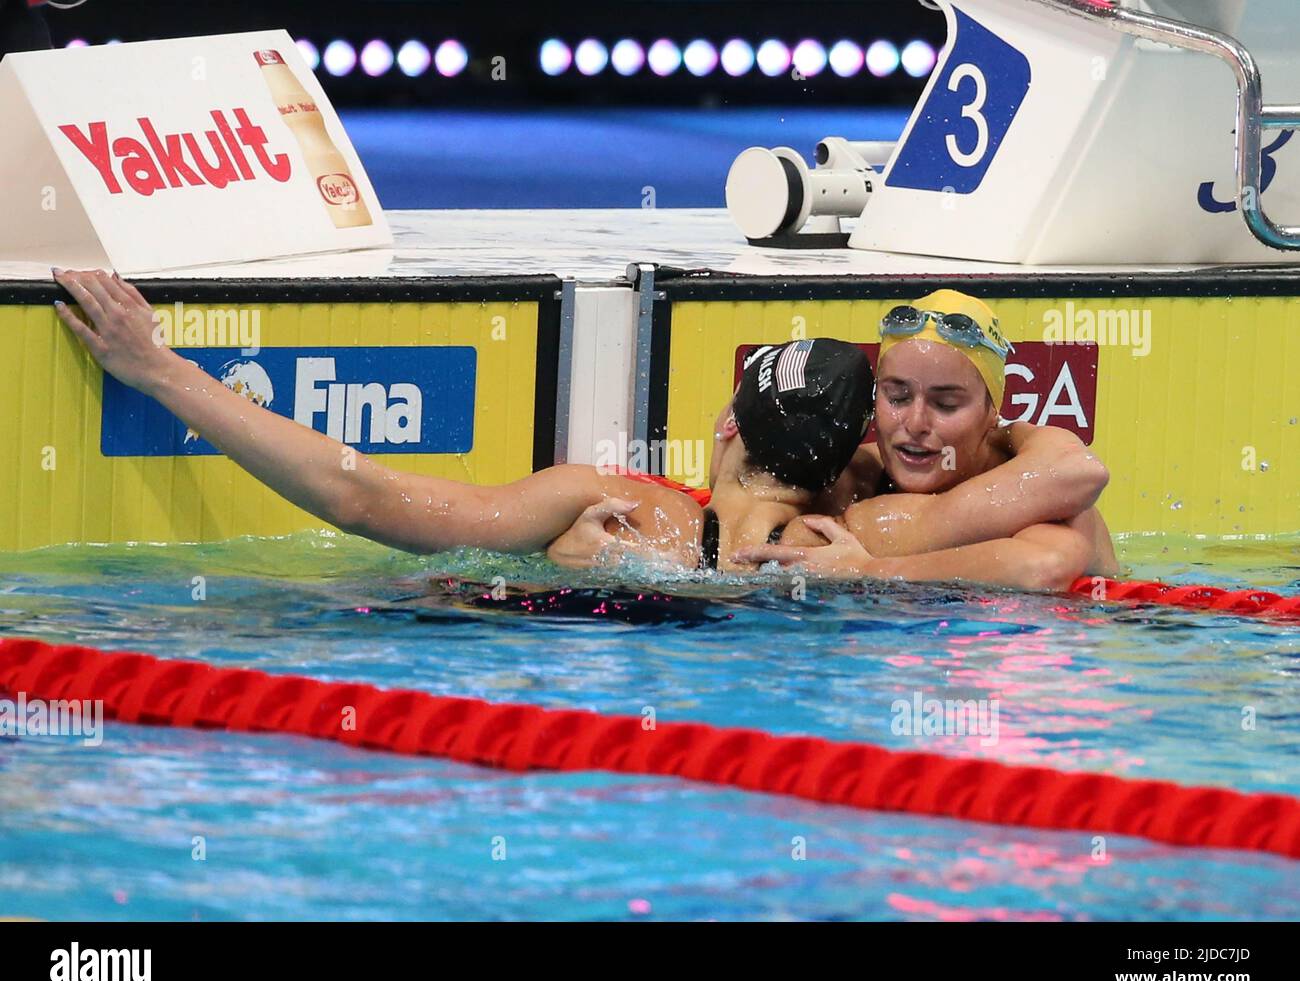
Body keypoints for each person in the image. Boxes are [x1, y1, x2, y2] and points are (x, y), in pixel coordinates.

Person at [50, 269, 874, 573]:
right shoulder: (877, 546)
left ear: (727, 423)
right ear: (846, 462)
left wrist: (161, 369)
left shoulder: (608, 506)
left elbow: (362, 498)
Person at [738, 290, 1118, 589]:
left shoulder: (1043, 494)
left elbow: (1041, 569)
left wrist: (870, 570)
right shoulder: (861, 476)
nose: (916, 422)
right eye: (898, 397)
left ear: (991, 411)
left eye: (946, 404)